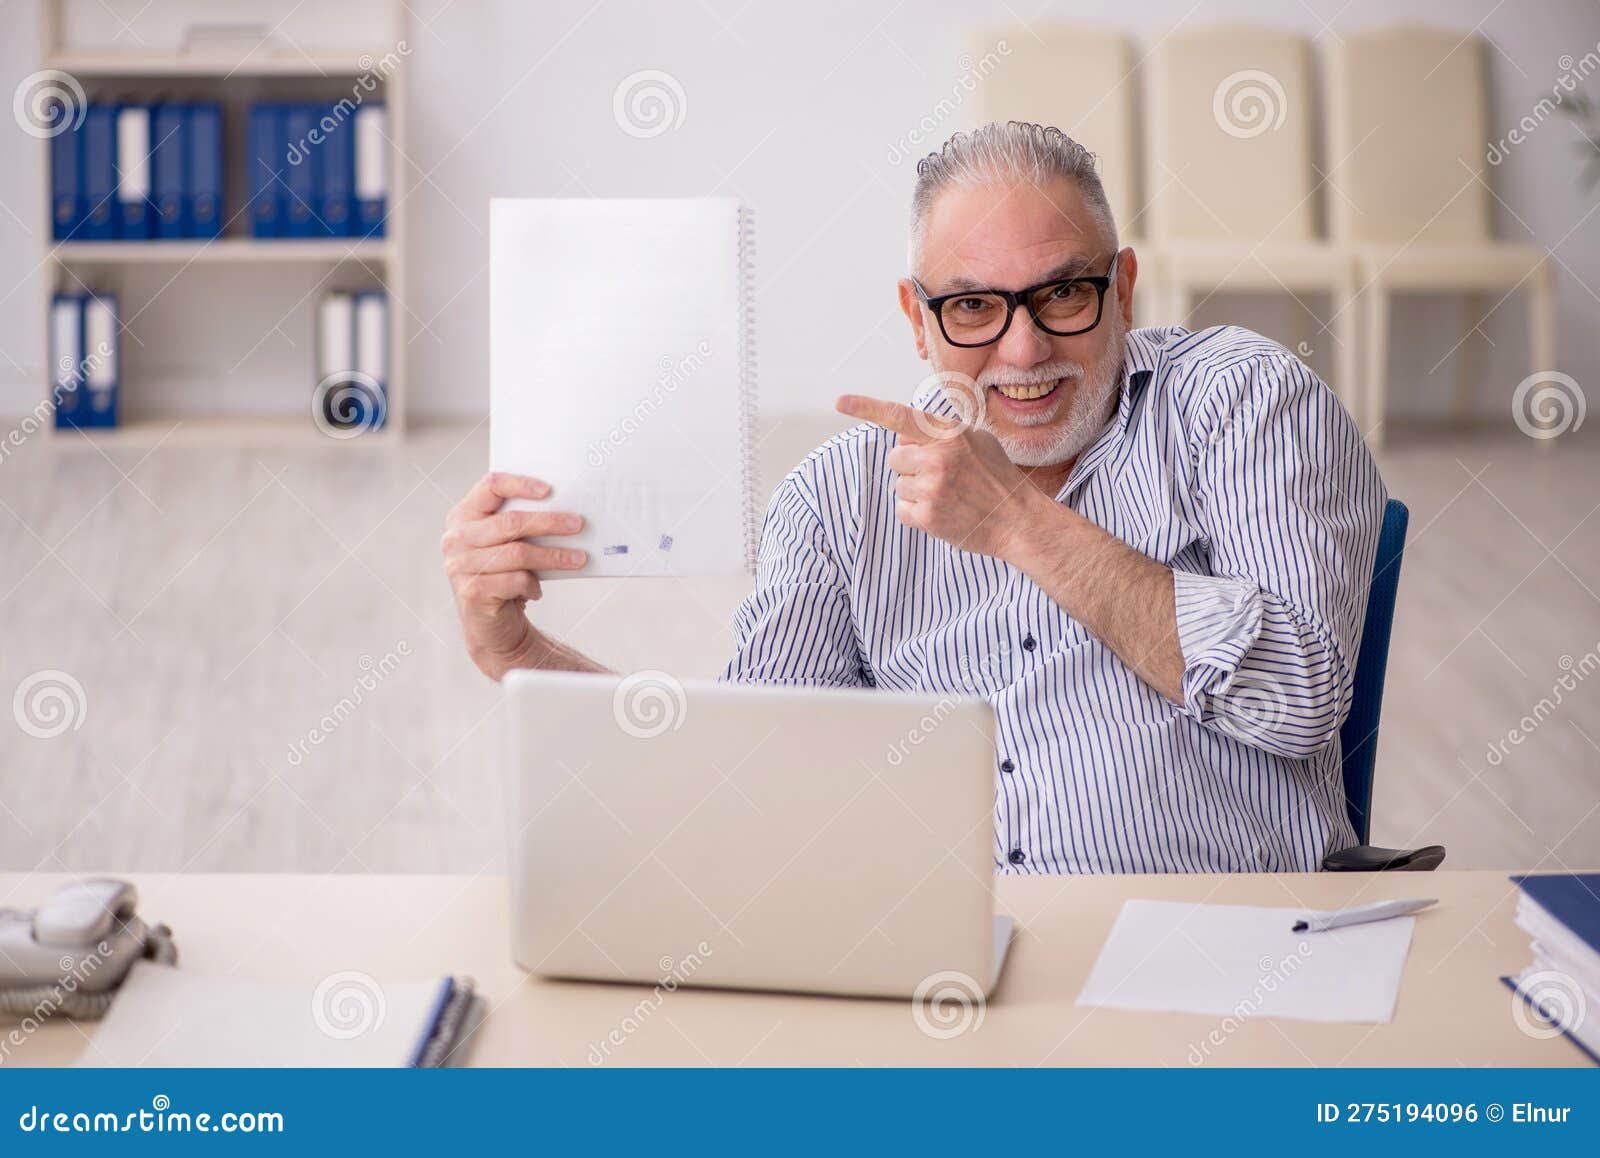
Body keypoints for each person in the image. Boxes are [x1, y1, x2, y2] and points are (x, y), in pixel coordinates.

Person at [441, 121, 1385, 874]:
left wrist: (1019, 522)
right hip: (953, 986)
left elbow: (1302, 701)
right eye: (973, 306)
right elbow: (747, 780)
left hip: (1233, 954)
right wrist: (517, 653)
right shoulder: (834, 499)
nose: (1023, 352)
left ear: (1125, 286)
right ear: (916, 319)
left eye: (1062, 295)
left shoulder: (1243, 400)